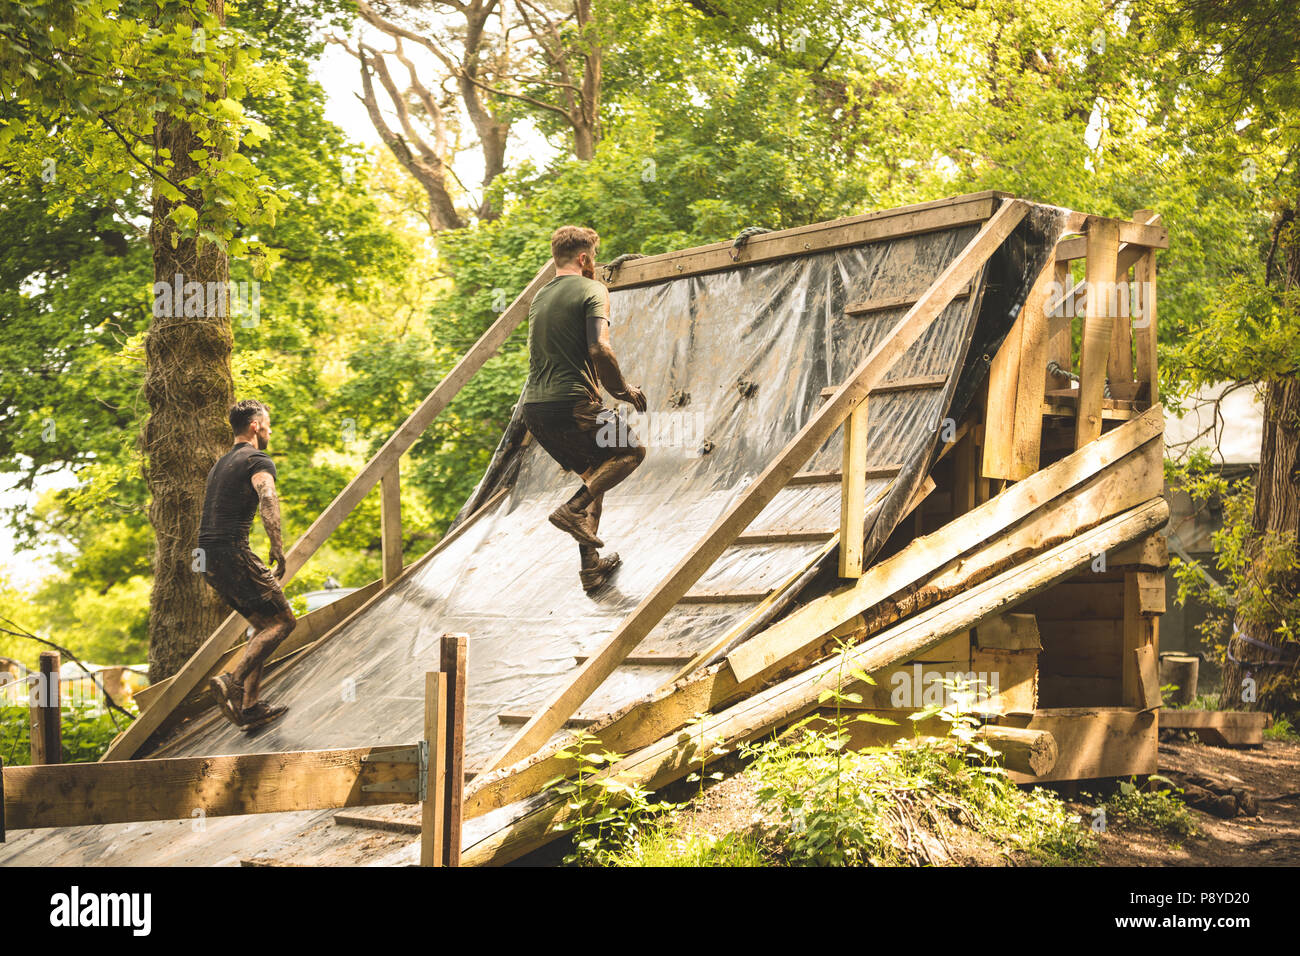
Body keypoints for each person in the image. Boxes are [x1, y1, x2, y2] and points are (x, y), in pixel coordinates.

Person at [521, 225, 648, 592]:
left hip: (537, 411)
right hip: (574, 404)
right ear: (583, 259)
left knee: (596, 475)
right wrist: (622, 390)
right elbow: (600, 349)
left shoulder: (540, 297)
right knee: (631, 452)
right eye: (594, 258)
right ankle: (571, 509)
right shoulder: (593, 289)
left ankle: (590, 568)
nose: (595, 264)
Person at [199, 399, 296, 731]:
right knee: (283, 622)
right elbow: (267, 495)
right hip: (231, 552)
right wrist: (277, 545)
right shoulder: (257, 459)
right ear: (255, 426)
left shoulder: (221, 464)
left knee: (262, 624)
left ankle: (250, 707)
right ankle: (233, 681)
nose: (270, 430)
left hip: (208, 560)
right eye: (268, 424)